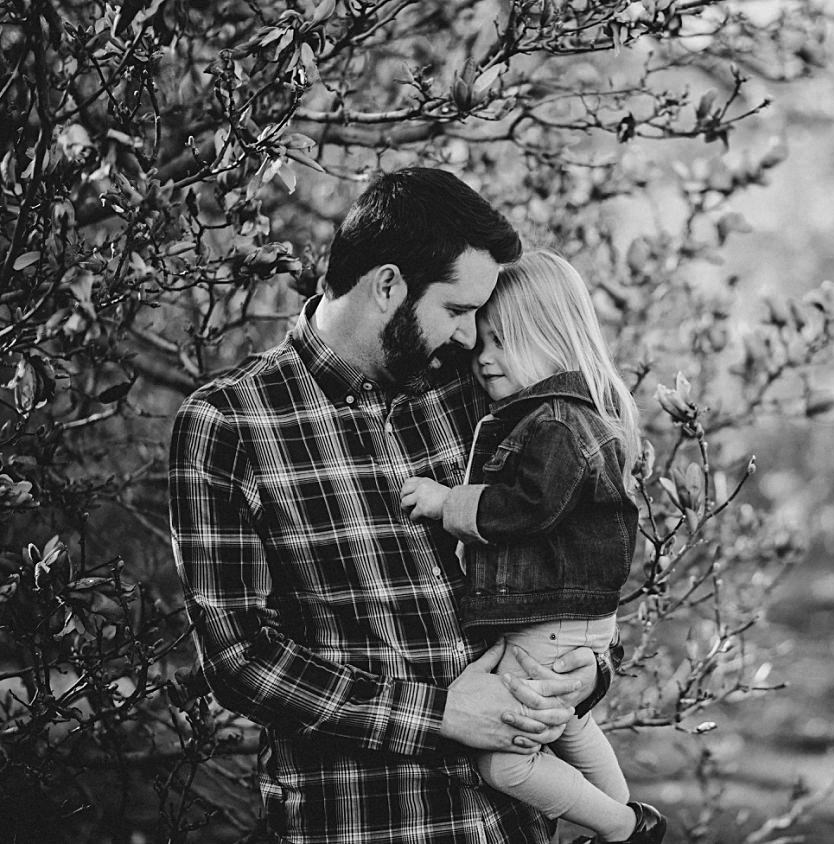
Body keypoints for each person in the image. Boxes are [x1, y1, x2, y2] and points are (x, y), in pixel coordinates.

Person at [169, 168, 611, 844]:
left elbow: (570, 531)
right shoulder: (230, 424)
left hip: (512, 823)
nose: (470, 339)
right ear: (387, 286)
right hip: (370, 822)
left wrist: (584, 669)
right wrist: (437, 715)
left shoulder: (474, 394)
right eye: (458, 311)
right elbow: (241, 661)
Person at [399, 251, 665, 844]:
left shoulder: (555, 423)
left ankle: (622, 826)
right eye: (480, 343)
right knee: (567, 726)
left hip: (550, 629)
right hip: (570, 627)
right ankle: (621, 817)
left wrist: (449, 503)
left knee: (507, 763)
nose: (483, 358)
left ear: (551, 339)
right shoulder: (565, 417)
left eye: (502, 341)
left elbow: (527, 506)